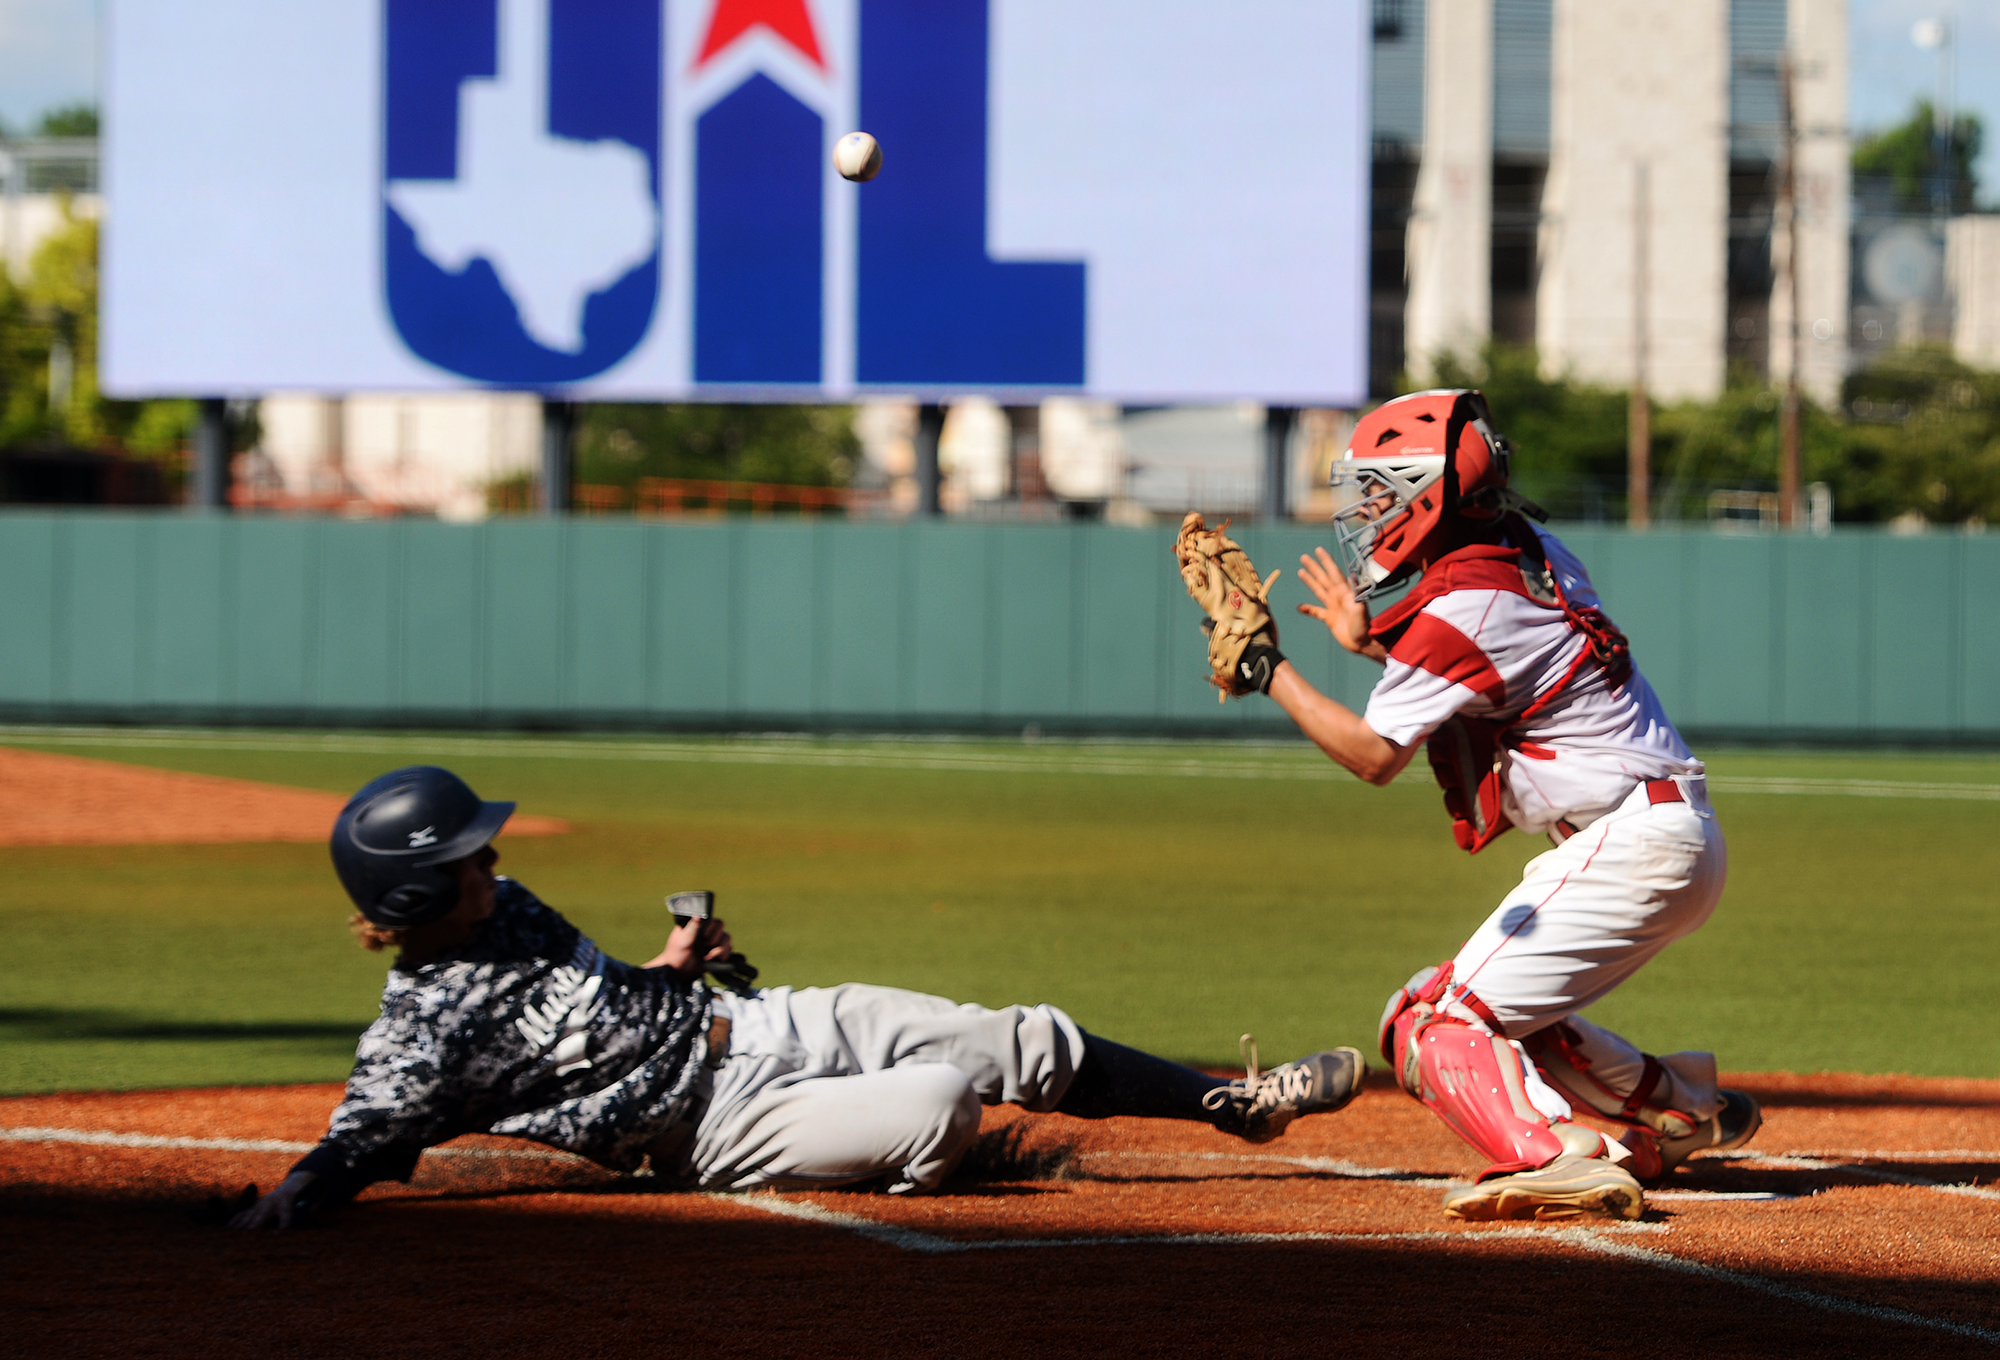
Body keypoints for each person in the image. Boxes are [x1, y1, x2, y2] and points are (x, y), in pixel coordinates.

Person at [232, 765, 1364, 1229]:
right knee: (939, 1102)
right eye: (469, 856)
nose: (492, 858)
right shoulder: (417, 1036)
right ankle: (930, 1140)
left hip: (760, 1023)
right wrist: (274, 1208)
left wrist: (671, 961)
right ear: (421, 889)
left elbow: (597, 1000)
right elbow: (355, 1145)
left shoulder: (508, 904)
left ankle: (1235, 1104)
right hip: (714, 1127)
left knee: (1010, 1037)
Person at [1224, 388, 1759, 1222]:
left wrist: (1270, 672)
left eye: (1382, 487)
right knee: (1503, 1015)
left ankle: (1551, 1153)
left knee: (1427, 1020)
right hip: (1670, 831)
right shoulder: (1527, 544)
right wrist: (1371, 642)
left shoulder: (1459, 607)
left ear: (1429, 492)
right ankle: (1673, 1107)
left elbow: (1374, 755)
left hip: (1631, 842)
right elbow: (1490, 658)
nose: (1367, 506)